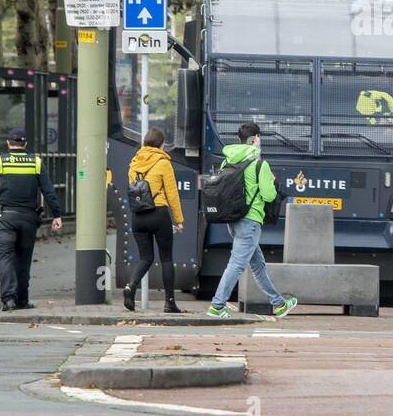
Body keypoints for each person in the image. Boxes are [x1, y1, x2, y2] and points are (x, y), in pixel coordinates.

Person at [207, 123, 297, 319]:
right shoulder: (259, 164)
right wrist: (272, 181)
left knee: (257, 264)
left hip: (234, 219)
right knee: (237, 264)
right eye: (259, 138)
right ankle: (217, 305)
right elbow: (268, 195)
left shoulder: (227, 161)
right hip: (251, 220)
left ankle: (279, 304)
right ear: (255, 138)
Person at [0, 128, 62, 311]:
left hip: (6, 217)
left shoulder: (0, 160)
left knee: (5, 258)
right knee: (23, 259)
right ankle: (22, 300)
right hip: (29, 218)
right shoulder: (36, 162)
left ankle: (9, 299)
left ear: (9, 144)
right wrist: (56, 215)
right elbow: (48, 190)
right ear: (25, 144)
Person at [122, 127, 186, 313]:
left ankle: (131, 286)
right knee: (166, 258)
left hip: (138, 216)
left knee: (145, 257)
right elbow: (172, 193)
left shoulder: (134, 162)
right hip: (158, 213)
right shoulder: (163, 163)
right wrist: (179, 219)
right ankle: (170, 302)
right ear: (161, 144)